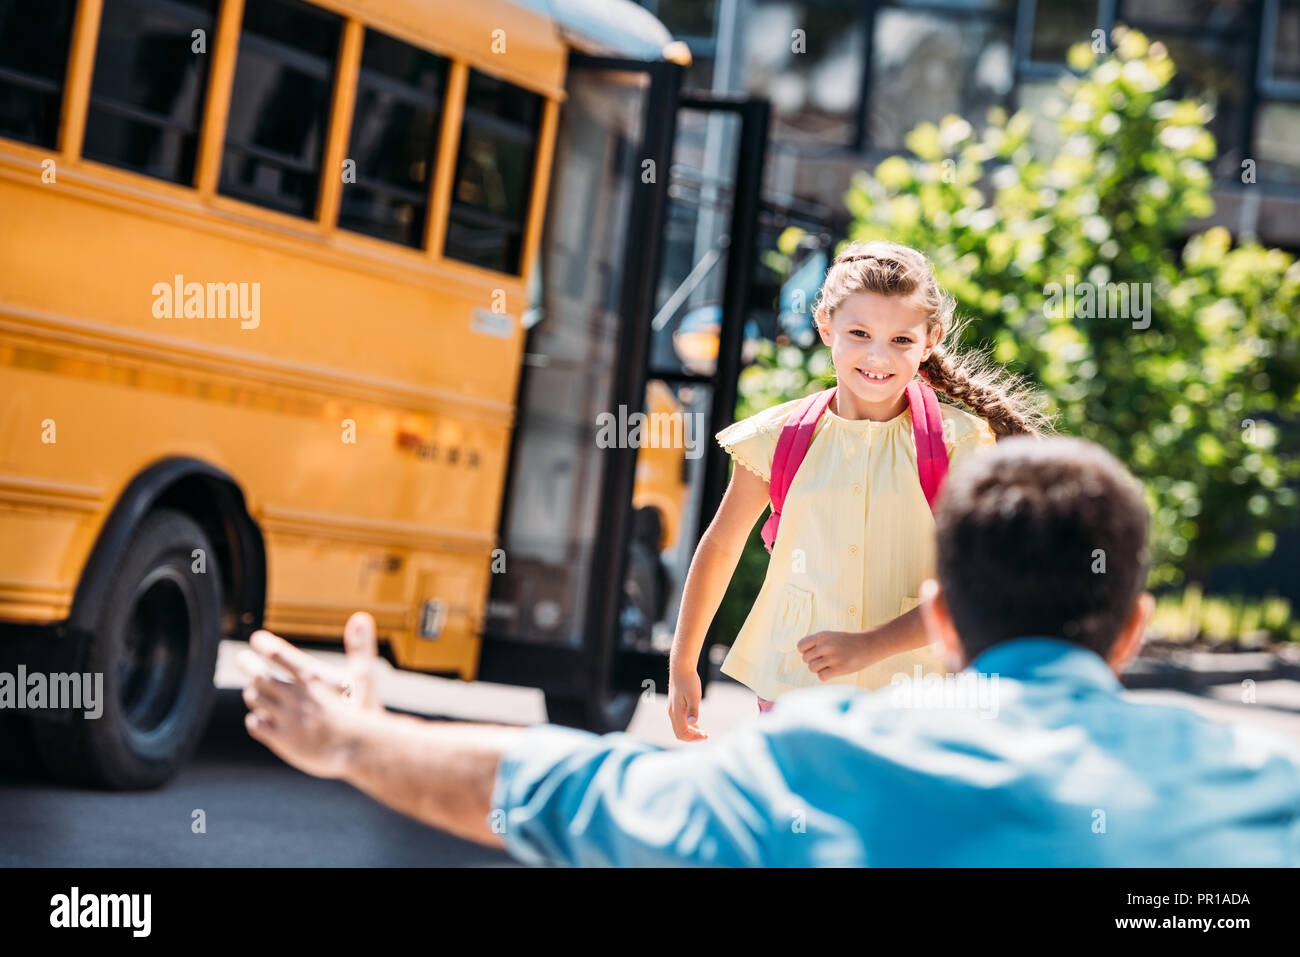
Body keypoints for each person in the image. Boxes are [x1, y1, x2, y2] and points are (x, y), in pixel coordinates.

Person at [239, 437, 1300, 866]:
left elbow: (563, 788)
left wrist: (351, 737)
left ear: (937, 618)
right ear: (1132, 628)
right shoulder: (1263, 791)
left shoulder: (830, 762)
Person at [667, 240, 1049, 739]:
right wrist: (682, 662)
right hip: (794, 690)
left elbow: (975, 582)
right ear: (825, 326)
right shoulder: (776, 437)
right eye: (860, 333)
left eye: (901, 340)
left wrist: (871, 646)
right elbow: (721, 545)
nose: (877, 356)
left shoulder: (961, 444)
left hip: (918, 696)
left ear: (930, 340)